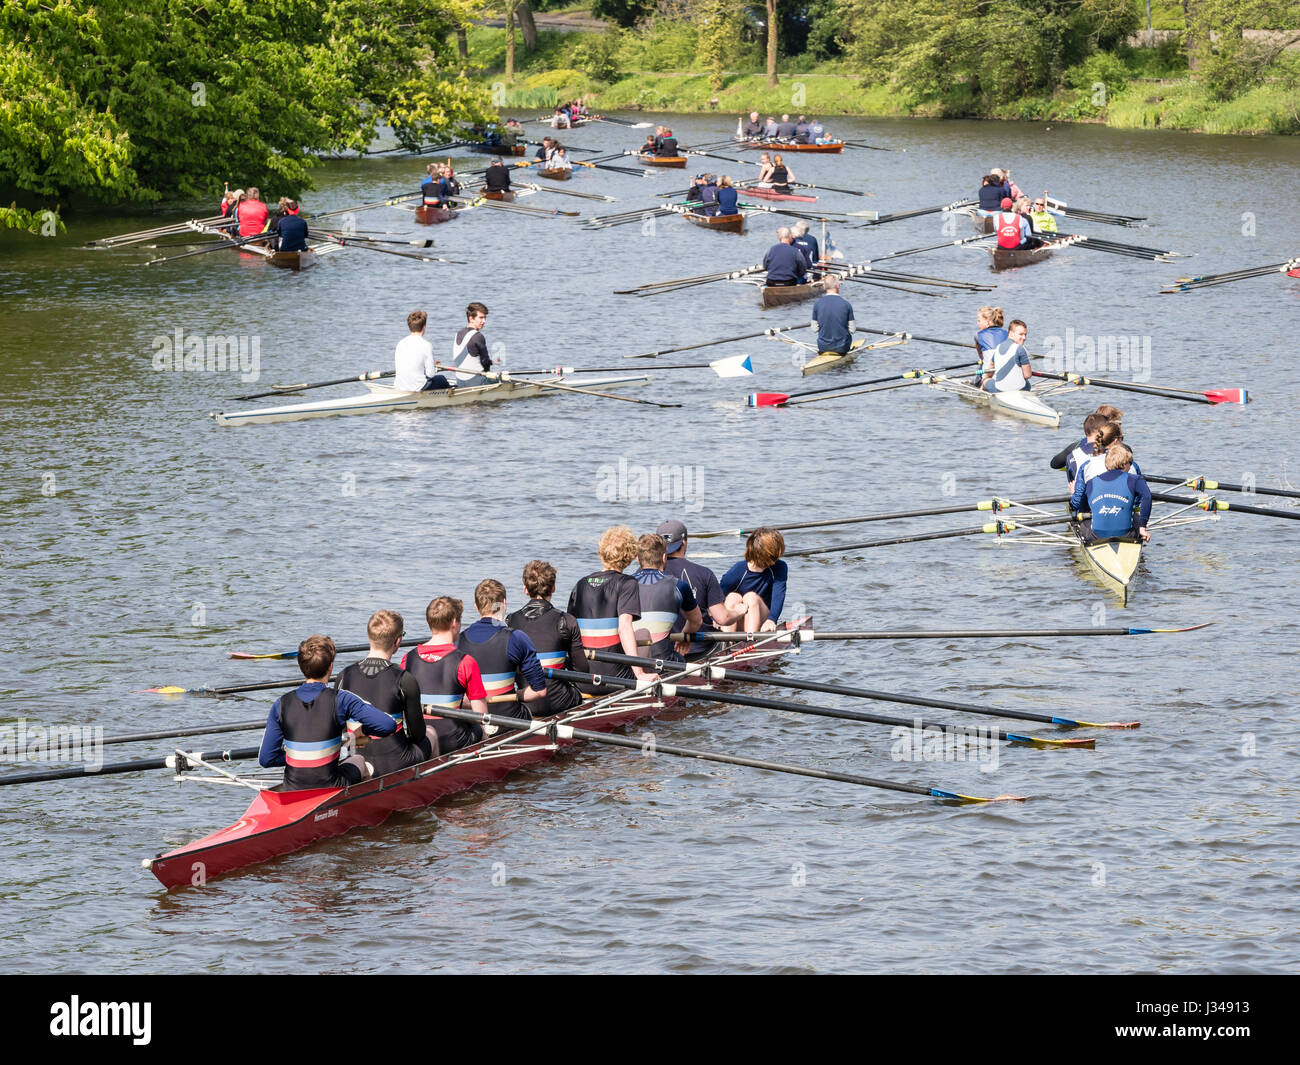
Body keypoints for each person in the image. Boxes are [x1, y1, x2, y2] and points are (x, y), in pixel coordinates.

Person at [258, 635, 395, 790]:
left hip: (292, 788)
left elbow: (266, 759)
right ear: (330, 666)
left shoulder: (281, 704)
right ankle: (365, 807)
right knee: (358, 760)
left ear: (301, 667)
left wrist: (299, 756)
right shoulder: (342, 699)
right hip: (330, 785)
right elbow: (388, 725)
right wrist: (362, 730)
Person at [335, 610, 431, 777]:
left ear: (369, 636)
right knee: (432, 734)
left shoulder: (344, 676)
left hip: (355, 759)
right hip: (395, 761)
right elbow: (418, 734)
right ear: (398, 641)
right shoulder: (405, 680)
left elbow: (338, 729)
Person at [401, 597, 491, 754]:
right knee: (483, 727)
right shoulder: (466, 662)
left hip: (420, 740)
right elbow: (481, 715)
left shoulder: (407, 659)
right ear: (454, 623)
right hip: (452, 741)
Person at [567, 525, 652, 682]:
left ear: (601, 552)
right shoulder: (628, 583)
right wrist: (639, 673)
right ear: (630, 556)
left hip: (581, 677)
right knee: (644, 634)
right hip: (614, 678)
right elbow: (624, 628)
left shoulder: (580, 584)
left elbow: (569, 631)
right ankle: (643, 683)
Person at [507, 560, 590, 716]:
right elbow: (582, 670)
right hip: (559, 702)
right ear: (553, 588)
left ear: (525, 589)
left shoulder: (510, 621)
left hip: (524, 701)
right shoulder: (567, 621)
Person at [459, 579, 548, 721]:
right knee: (528, 711)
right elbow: (539, 692)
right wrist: (517, 695)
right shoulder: (517, 638)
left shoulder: (459, 640)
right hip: (507, 718)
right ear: (504, 603)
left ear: (476, 607)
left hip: (471, 719)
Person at [659, 520, 744, 649]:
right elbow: (723, 619)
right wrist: (739, 612)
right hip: (703, 647)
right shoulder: (704, 573)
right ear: (684, 542)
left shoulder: (642, 576)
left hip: (663, 649)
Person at [633, 534, 701, 664]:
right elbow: (696, 622)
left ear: (638, 559)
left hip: (629, 658)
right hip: (661, 660)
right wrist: (683, 637)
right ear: (664, 558)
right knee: (679, 658)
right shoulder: (679, 586)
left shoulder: (624, 584)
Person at [1070, 444, 1152, 544]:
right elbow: (1147, 497)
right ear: (1124, 464)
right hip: (1127, 535)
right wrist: (1142, 526)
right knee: (1135, 516)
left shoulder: (1091, 482)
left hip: (1095, 537)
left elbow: (1080, 505)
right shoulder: (1135, 479)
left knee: (1083, 519)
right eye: (1130, 463)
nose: (1130, 466)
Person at [719, 527, 788, 633]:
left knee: (750, 597)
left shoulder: (779, 568)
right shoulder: (738, 570)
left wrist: (772, 619)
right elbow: (717, 597)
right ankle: (724, 642)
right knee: (732, 597)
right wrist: (712, 617)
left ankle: (751, 641)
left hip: (763, 619)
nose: (776, 559)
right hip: (737, 618)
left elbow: (779, 595)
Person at [1051, 406, 1124, 485]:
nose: (1120, 428)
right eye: (1119, 424)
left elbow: (1054, 464)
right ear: (1107, 425)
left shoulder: (1075, 447)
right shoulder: (1118, 449)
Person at [393, 309, 451, 392]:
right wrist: (433, 367)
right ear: (424, 327)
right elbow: (430, 374)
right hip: (418, 387)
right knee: (441, 379)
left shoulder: (400, 343)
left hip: (399, 386)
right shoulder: (426, 345)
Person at [981, 318, 1032, 392]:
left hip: (999, 390)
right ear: (1011, 333)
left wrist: (984, 381)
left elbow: (990, 370)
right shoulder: (1020, 348)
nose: (1024, 337)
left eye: (1025, 334)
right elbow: (1027, 375)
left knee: (986, 380)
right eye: (1021, 334)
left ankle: (983, 388)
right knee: (1027, 384)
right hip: (1018, 389)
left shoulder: (998, 347)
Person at [451, 302, 495, 383]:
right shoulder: (478, 336)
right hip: (476, 382)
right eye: (481, 318)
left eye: (485, 318)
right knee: (501, 381)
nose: (484, 321)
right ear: (471, 318)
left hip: (459, 381)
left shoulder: (458, 334)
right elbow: (485, 363)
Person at [811, 274, 855, 355]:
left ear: (824, 287)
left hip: (823, 347)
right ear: (838, 286)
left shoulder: (817, 304)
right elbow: (852, 330)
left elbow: (814, 329)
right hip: (842, 348)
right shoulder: (846, 304)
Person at [974, 305, 1008, 382]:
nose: (977, 323)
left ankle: (977, 383)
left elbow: (981, 357)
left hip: (988, 379)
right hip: (1006, 377)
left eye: (979, 320)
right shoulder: (1007, 333)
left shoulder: (978, 335)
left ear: (987, 321)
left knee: (982, 363)